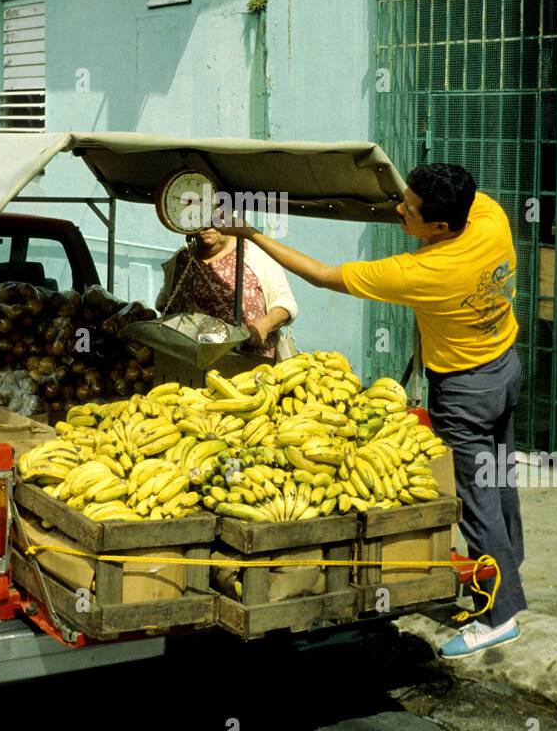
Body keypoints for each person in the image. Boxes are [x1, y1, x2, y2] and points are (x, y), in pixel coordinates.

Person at [219, 163, 525, 657]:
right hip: (505, 368)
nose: (398, 208)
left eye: (408, 208)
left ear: (440, 229)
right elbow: (433, 205)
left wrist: (251, 233)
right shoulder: (489, 217)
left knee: (475, 503)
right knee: (500, 481)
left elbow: (321, 275)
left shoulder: (426, 271)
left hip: (465, 391)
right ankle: (510, 564)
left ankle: (499, 613)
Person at [157, 226, 298, 361]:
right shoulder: (181, 260)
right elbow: (165, 303)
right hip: (190, 361)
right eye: (200, 220)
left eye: (214, 220)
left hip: (248, 363)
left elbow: (285, 303)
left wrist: (265, 325)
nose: (206, 227)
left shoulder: (255, 254)